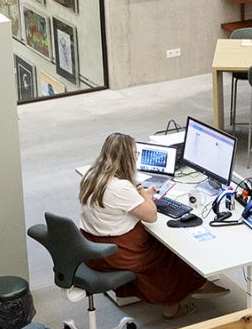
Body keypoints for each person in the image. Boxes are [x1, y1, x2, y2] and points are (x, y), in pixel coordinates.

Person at [77, 133, 227, 319]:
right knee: (170, 248)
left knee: (161, 241)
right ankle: (174, 302)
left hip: (92, 246)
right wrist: (141, 190)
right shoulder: (120, 187)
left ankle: (194, 286)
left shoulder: (93, 175)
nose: (136, 157)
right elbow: (151, 215)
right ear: (126, 158)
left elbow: (120, 204)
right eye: (135, 154)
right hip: (116, 252)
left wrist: (139, 194)